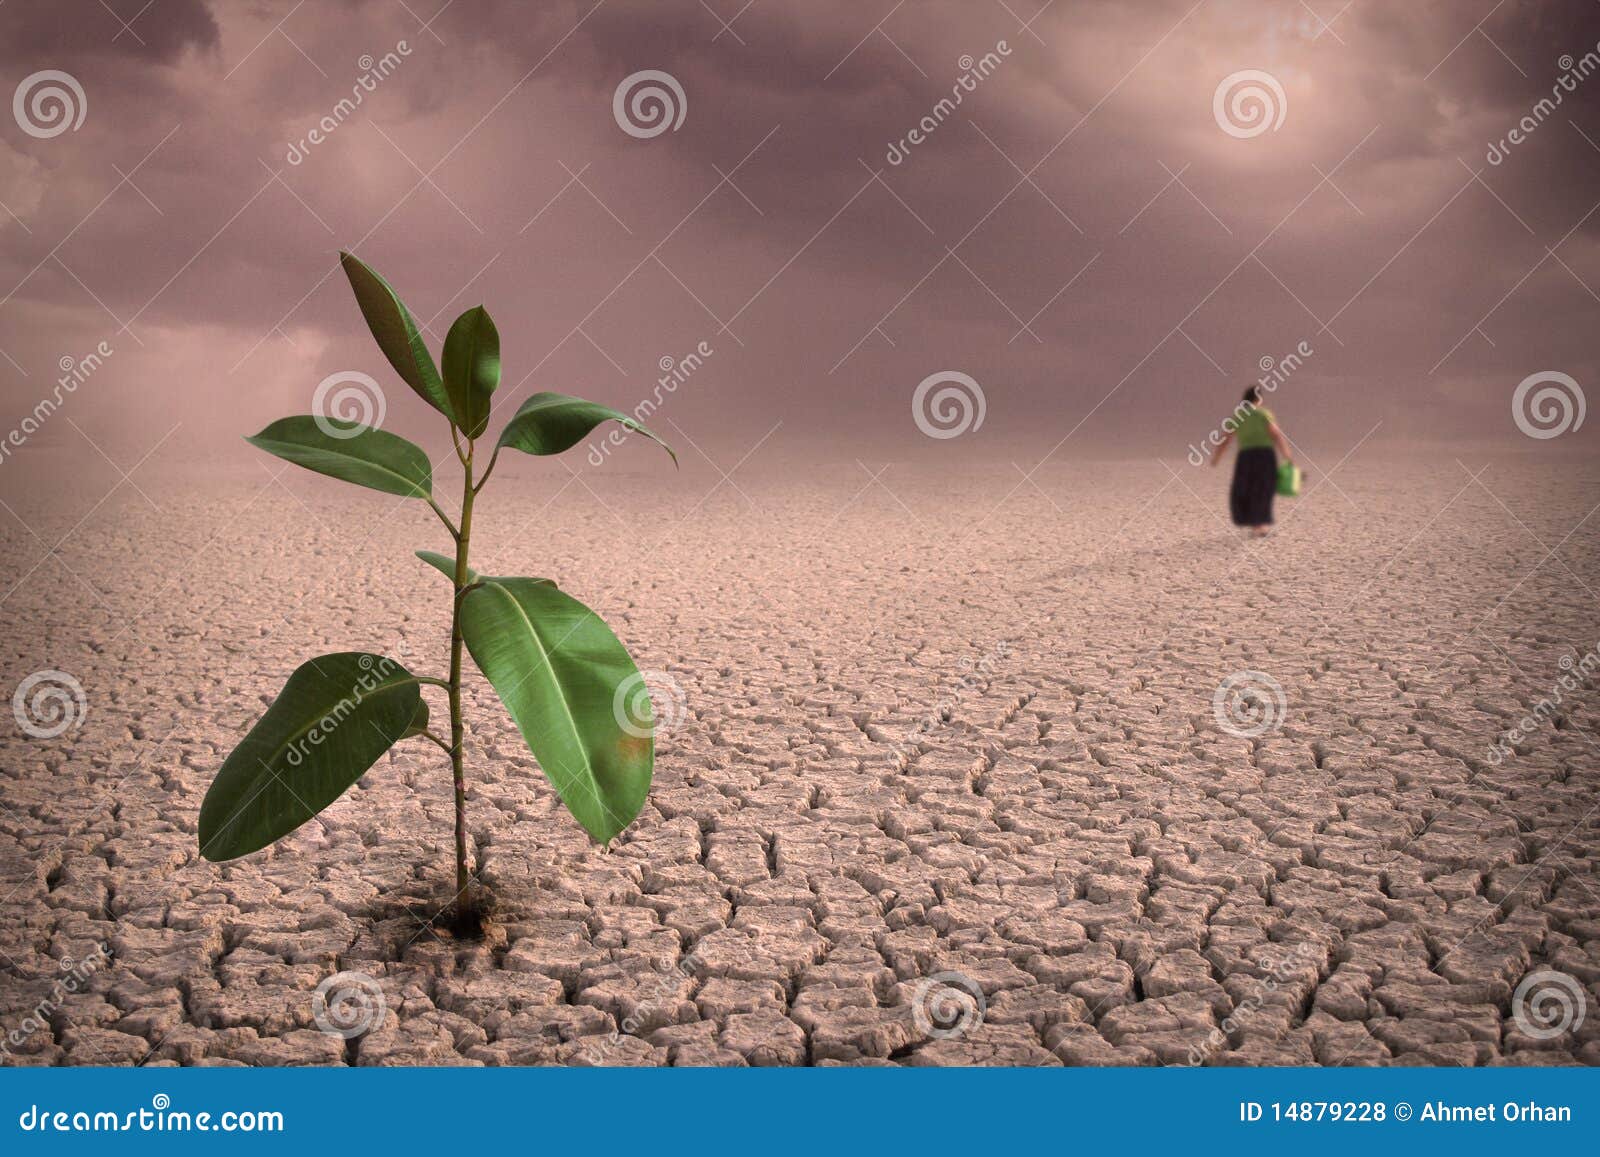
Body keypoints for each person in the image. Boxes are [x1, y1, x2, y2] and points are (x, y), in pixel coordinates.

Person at [1210, 386, 1292, 536]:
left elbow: (1225, 439)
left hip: (1246, 456)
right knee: (1264, 488)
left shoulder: (1238, 415)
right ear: (1258, 399)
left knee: (1246, 488)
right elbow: (1276, 434)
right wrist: (1287, 454)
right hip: (1265, 455)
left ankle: (1255, 525)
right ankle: (1261, 525)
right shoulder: (1264, 413)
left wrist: (1216, 457)